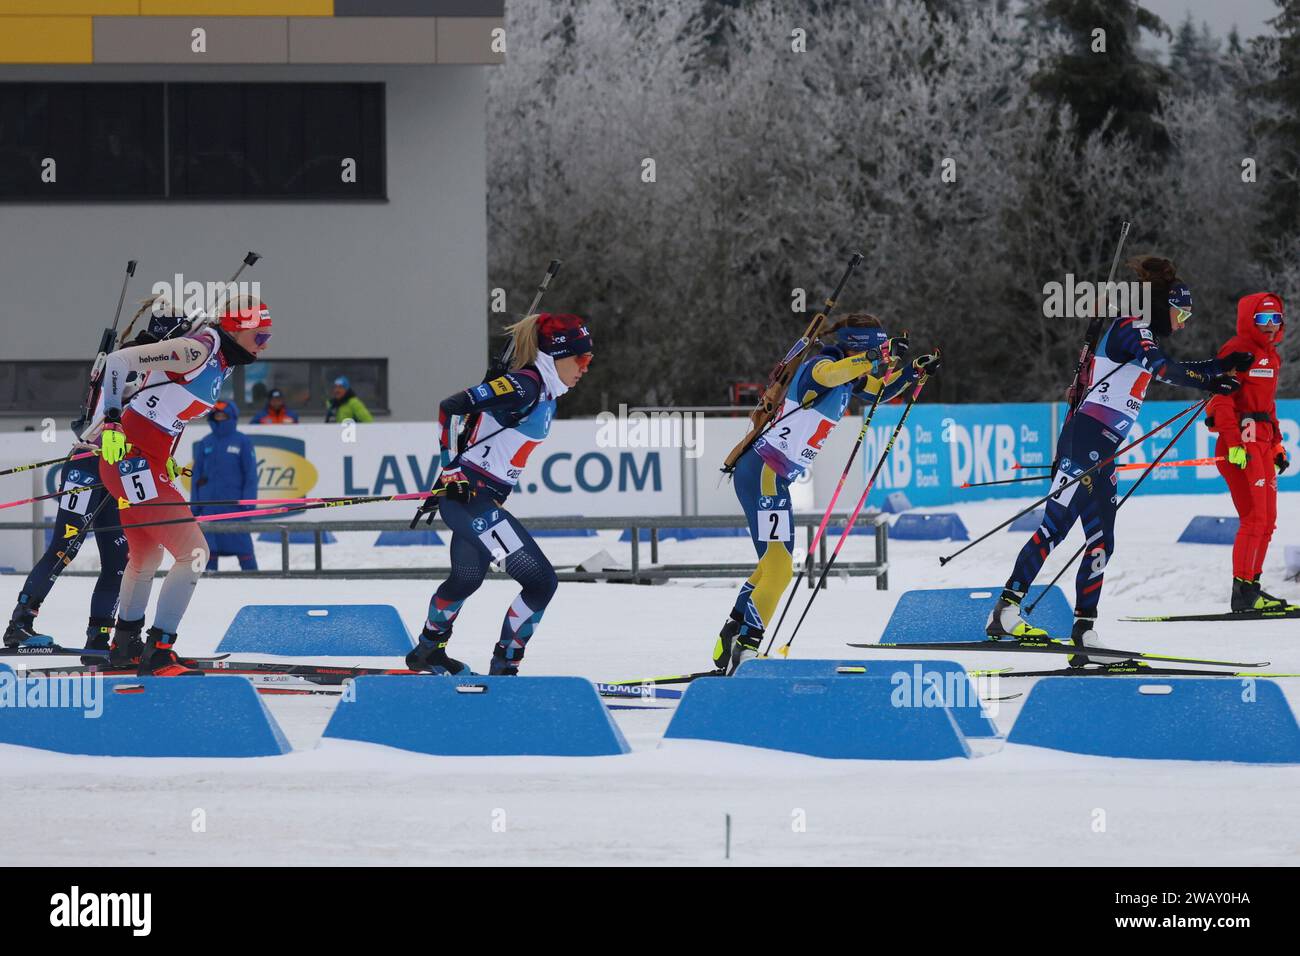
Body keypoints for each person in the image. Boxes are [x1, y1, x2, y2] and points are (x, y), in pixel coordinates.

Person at [986, 257, 1249, 662]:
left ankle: (1052, 621)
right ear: (1163, 307)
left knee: (1079, 536)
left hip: (1095, 445)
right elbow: (1162, 369)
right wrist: (1211, 379)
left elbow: (1168, 366)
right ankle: (1043, 619)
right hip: (1088, 440)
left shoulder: (1140, 332)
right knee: (1076, 535)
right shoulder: (1133, 326)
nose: (1184, 321)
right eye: (1182, 312)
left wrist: (1221, 367)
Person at [711, 314, 940, 675]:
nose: (883, 355)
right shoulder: (821, 367)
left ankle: (731, 637)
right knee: (780, 570)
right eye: (878, 348)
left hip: (771, 477)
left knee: (771, 566)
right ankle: (747, 650)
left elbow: (880, 389)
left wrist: (912, 372)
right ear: (859, 346)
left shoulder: (850, 375)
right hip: (764, 474)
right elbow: (833, 375)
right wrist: (873, 360)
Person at [406, 313, 593, 676]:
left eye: (590, 360)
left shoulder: (545, 389)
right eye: (580, 359)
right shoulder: (525, 385)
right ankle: (505, 666)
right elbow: (451, 406)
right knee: (541, 583)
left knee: (466, 580)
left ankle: (428, 651)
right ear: (556, 354)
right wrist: (450, 470)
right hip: (469, 498)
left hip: (477, 500)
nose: (585, 368)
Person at [97, 296, 272, 676]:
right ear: (236, 330)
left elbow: (162, 407)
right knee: (194, 553)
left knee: (145, 557)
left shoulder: (223, 361)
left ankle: (125, 645)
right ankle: (159, 650)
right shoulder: (196, 350)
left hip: (146, 459)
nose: (263, 345)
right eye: (259, 336)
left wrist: (167, 455)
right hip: (129, 457)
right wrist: (111, 421)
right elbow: (118, 361)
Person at [3, 303, 185, 665]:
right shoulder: (129, 362)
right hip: (90, 463)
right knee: (65, 547)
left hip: (117, 470)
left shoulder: (161, 369)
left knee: (119, 559)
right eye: (177, 338)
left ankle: (99, 637)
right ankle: (21, 624)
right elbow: (112, 406)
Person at [1206, 292, 1295, 613]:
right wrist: (1233, 445)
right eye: (1263, 319)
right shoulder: (1237, 350)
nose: (1271, 326)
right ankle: (1242, 593)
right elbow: (1220, 399)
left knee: (1268, 520)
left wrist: (1277, 444)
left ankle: (1252, 587)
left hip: (1261, 444)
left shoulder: (1271, 357)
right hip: (1240, 446)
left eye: (1276, 319)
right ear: (1249, 321)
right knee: (1254, 518)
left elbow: (1267, 407)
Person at [191, 400, 259, 571]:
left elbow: (251, 475)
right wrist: (195, 506)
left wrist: (248, 504)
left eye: (224, 415)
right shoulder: (205, 442)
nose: (220, 418)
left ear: (232, 417)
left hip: (235, 509)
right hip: (209, 508)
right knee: (209, 552)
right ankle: (209, 587)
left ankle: (258, 582)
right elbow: (196, 476)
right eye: (217, 415)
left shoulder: (242, 441)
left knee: (245, 551)